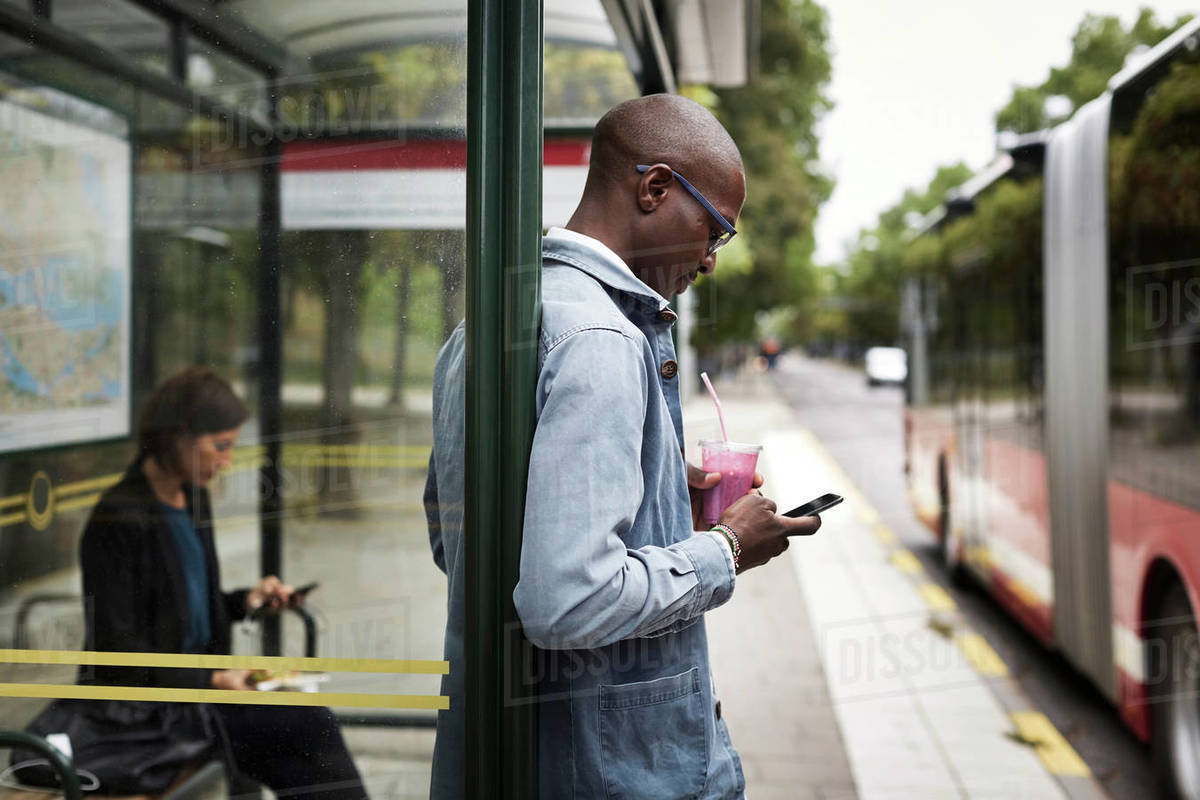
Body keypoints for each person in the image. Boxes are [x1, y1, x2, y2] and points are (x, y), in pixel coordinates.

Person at [425, 93, 820, 798]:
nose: (710, 260)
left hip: (502, 757)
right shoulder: (605, 341)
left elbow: (453, 537)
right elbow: (568, 601)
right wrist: (726, 547)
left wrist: (661, 497)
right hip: (606, 773)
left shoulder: (481, 326)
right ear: (656, 187)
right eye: (715, 230)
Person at [79, 366, 368, 800]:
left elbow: (182, 606)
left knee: (303, 739)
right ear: (179, 436)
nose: (227, 461)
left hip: (201, 698)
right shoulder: (117, 518)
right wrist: (212, 680)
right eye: (221, 446)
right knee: (308, 729)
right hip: (154, 711)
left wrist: (246, 600)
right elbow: (116, 653)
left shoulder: (192, 498)